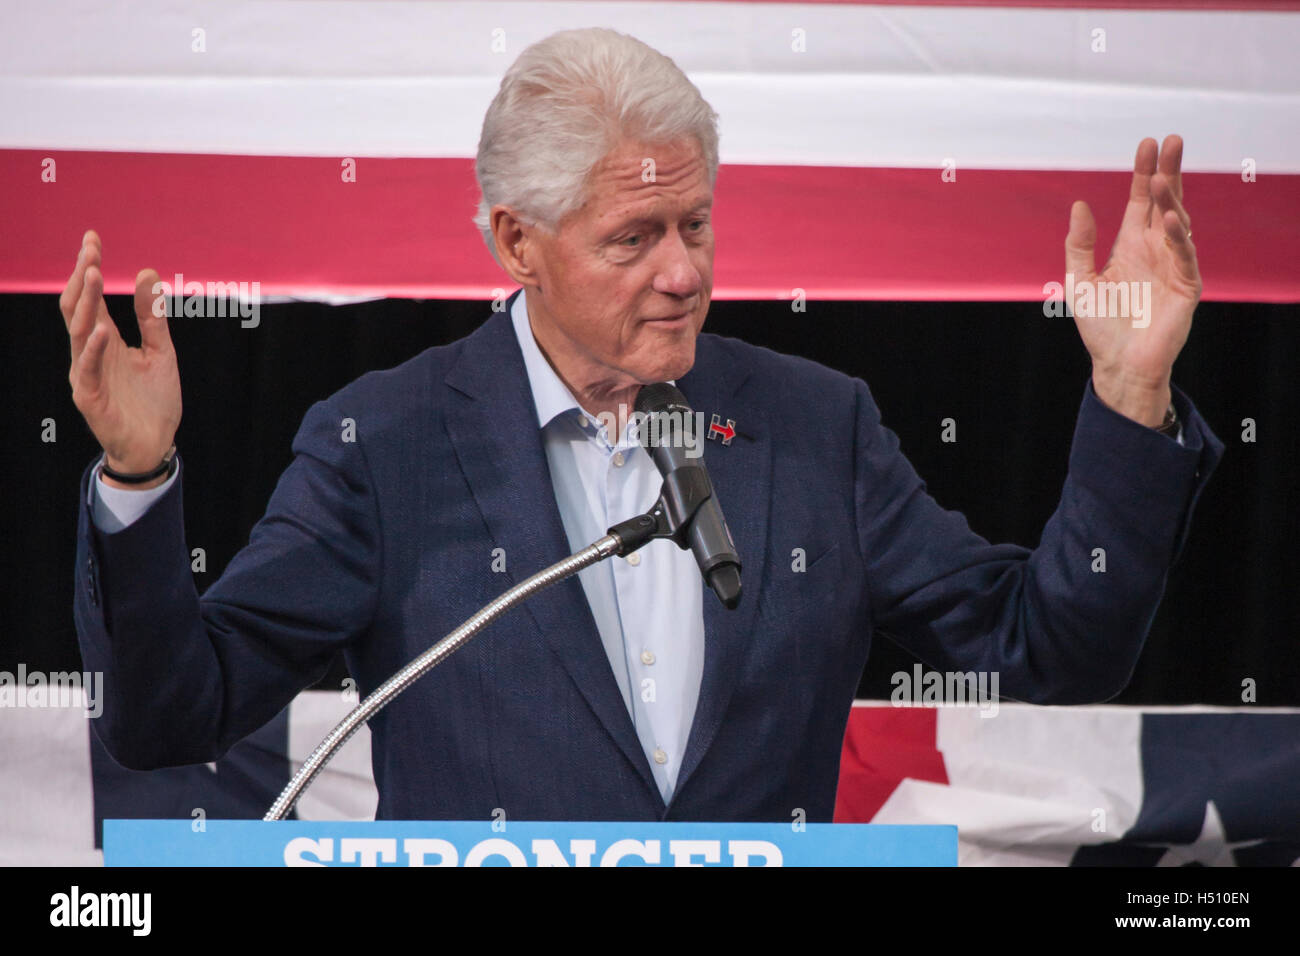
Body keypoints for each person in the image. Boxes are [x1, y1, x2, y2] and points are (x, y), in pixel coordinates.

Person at [63, 28, 1223, 821]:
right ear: (517, 243)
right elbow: (174, 717)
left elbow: (1044, 651)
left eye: (696, 225)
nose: (684, 273)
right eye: (634, 238)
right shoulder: (388, 443)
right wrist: (137, 470)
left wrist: (1131, 391)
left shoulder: (817, 426)